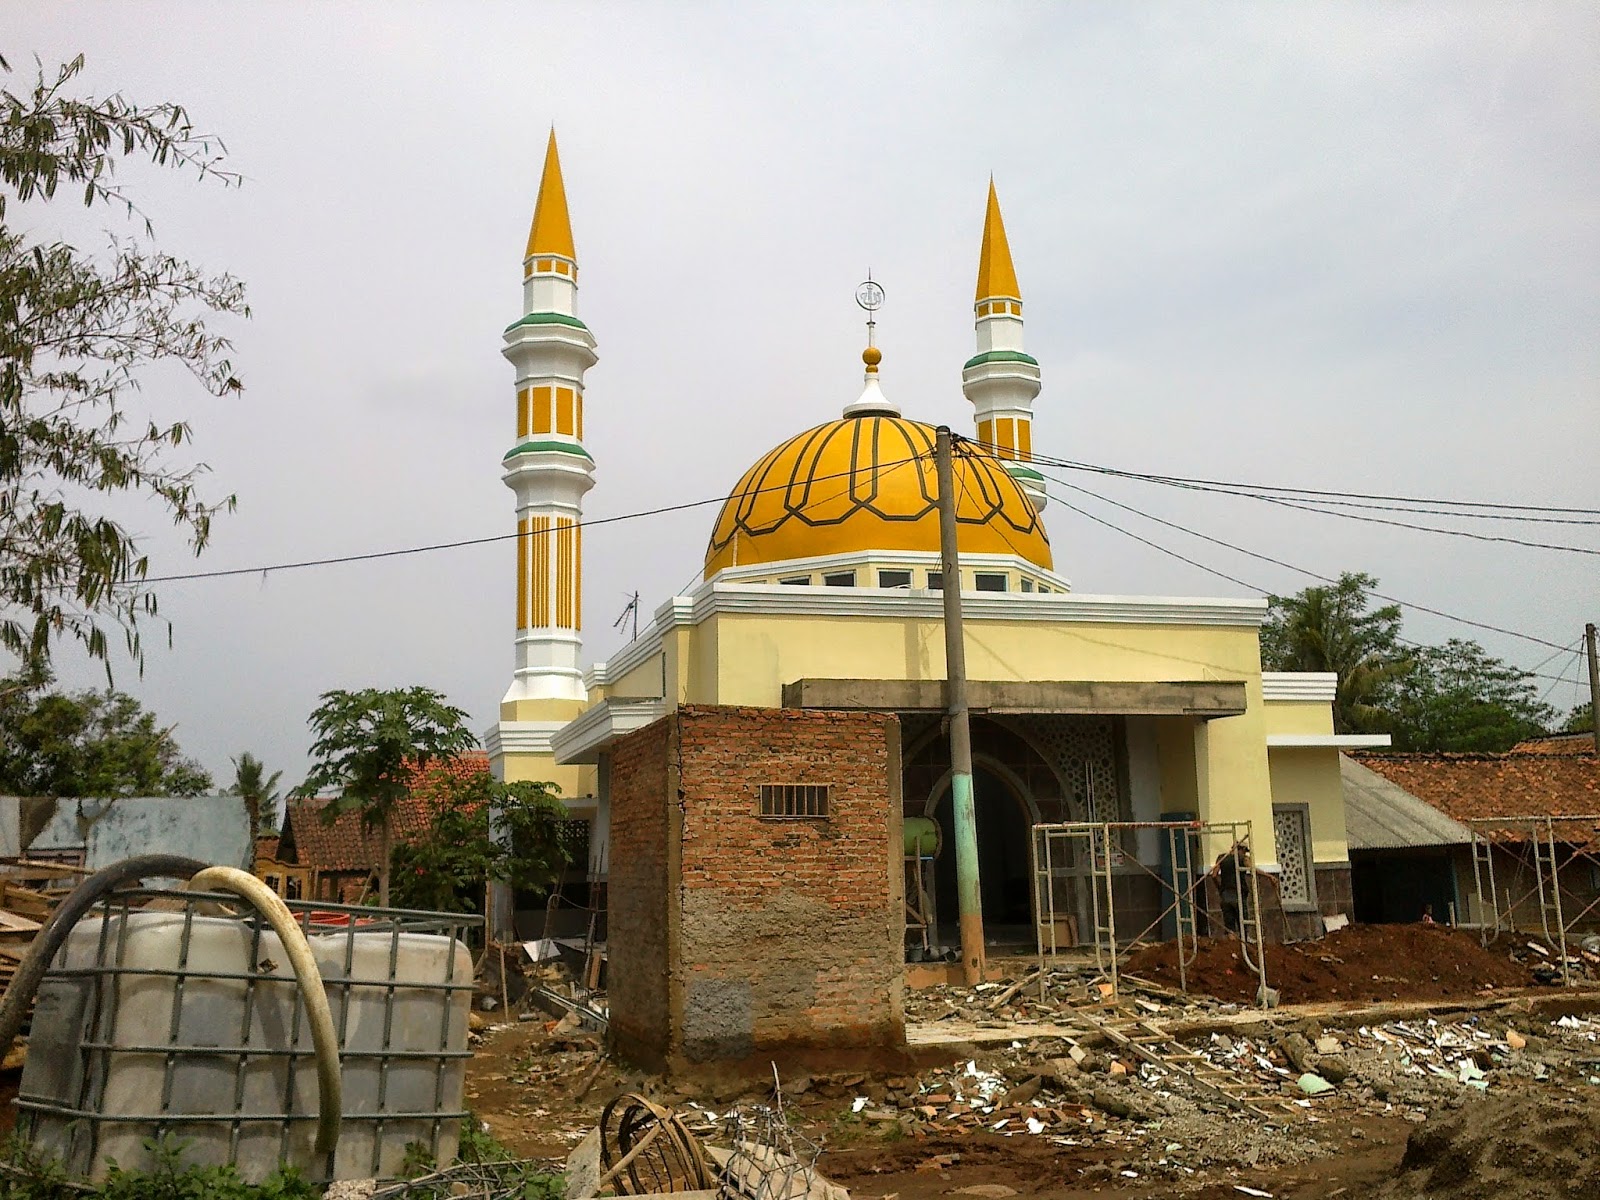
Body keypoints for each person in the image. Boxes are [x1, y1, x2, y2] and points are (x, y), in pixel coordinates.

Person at [1214, 843, 1251, 936]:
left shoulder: (1221, 858)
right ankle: (1244, 946)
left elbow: (1214, 875)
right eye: (1244, 851)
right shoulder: (1243, 859)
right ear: (1241, 849)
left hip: (1225, 895)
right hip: (1238, 895)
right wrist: (1269, 876)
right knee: (1243, 924)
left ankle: (1232, 948)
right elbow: (1253, 870)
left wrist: (1220, 888)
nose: (1245, 854)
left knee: (1230, 927)